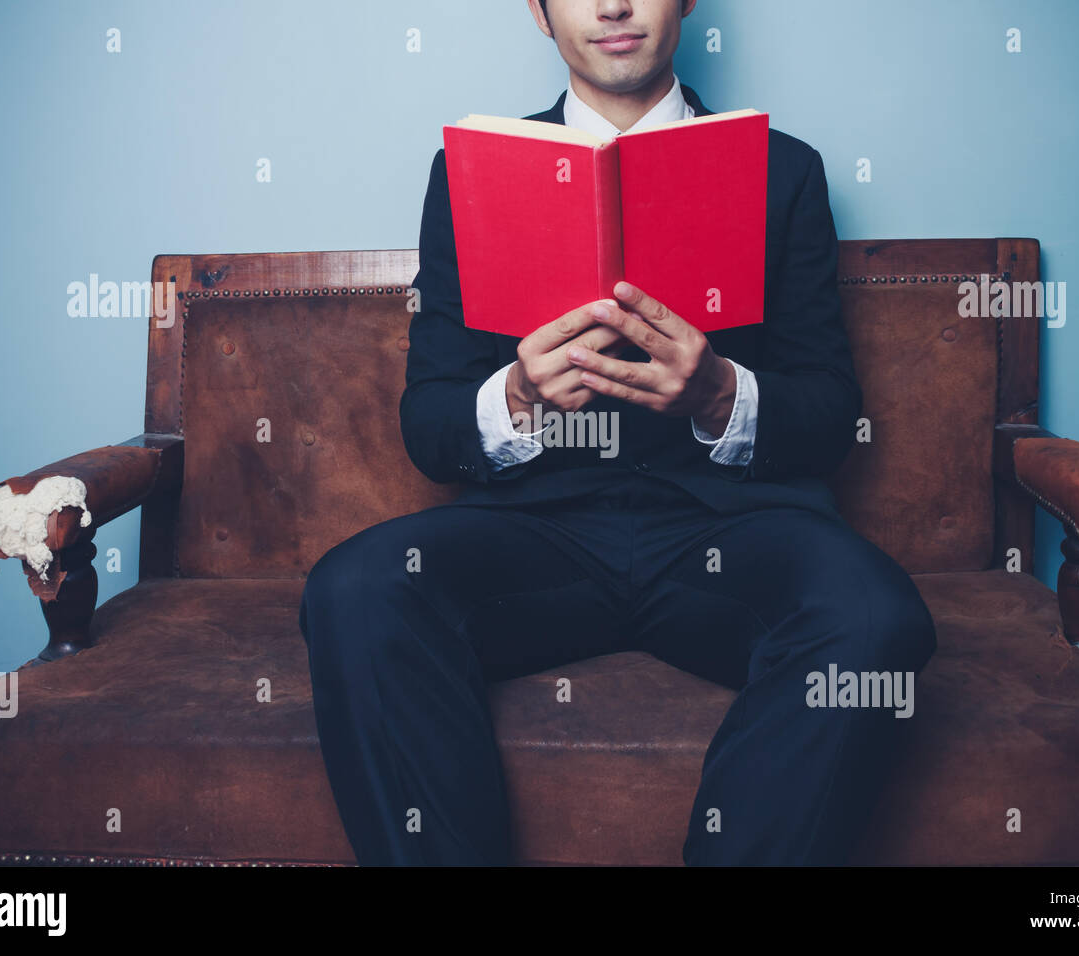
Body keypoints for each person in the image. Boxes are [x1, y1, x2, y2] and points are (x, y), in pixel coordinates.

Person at [299, 0, 936, 866]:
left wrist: (719, 394)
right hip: (534, 535)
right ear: (538, 11)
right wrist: (518, 393)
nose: (611, 6)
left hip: (734, 533)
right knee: (356, 588)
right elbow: (430, 420)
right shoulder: (468, 175)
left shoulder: (784, 172)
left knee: (875, 619)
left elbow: (831, 417)